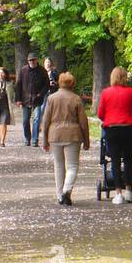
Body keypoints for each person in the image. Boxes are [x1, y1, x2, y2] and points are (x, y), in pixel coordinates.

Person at [95, 67, 132, 205]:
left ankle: (118, 193)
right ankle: (129, 191)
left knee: (115, 160)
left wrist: (109, 118)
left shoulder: (105, 93)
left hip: (112, 129)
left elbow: (100, 114)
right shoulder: (131, 92)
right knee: (129, 159)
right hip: (128, 129)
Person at [42, 72, 90, 205]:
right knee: (72, 166)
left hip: (55, 134)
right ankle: (66, 191)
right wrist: (86, 140)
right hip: (73, 135)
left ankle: (59, 195)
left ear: (59, 83)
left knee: (58, 166)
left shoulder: (51, 98)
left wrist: (44, 139)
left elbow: (45, 121)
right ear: (72, 84)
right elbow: (83, 122)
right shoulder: (76, 99)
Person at [15, 52, 49, 147]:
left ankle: (35, 139)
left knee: (36, 119)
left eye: (33, 59)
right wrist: (18, 99)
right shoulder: (23, 70)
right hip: (25, 99)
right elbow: (18, 85)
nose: (32, 61)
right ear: (27, 61)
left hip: (37, 99)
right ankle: (27, 138)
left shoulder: (42, 71)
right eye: (30, 60)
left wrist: (40, 94)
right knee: (25, 121)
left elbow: (46, 85)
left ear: (36, 60)